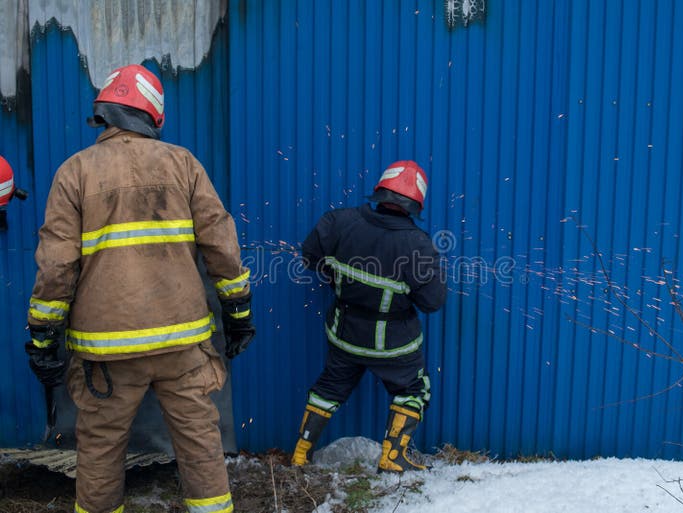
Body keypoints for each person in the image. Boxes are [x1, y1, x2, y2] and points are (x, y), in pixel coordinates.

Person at [25, 64, 254, 513]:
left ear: (105, 115)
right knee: (199, 440)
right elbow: (222, 248)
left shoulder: (74, 173)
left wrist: (42, 337)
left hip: (106, 352)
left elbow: (56, 267)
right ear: (154, 116)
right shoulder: (183, 163)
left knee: (100, 449)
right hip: (183, 342)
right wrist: (239, 313)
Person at [291, 160, 447, 472]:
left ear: (379, 191)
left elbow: (309, 256)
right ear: (416, 203)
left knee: (329, 388)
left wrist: (337, 277)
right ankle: (392, 458)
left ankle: (300, 454)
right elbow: (432, 303)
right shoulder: (419, 245)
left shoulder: (339, 221)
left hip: (345, 336)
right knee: (413, 389)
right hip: (394, 346)